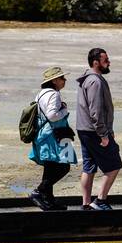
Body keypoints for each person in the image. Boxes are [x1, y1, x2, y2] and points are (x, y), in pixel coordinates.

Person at [75, 48, 121, 210]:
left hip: (84, 129)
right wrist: (104, 134)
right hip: (94, 131)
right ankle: (100, 200)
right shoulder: (95, 81)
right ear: (96, 62)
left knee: (89, 167)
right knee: (114, 165)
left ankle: (86, 204)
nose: (109, 62)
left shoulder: (86, 79)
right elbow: (96, 110)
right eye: (106, 60)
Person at [27, 66, 76, 211]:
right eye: (62, 78)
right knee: (64, 166)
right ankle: (39, 191)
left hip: (42, 135)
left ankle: (49, 202)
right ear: (54, 81)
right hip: (53, 135)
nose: (64, 80)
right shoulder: (54, 95)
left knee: (50, 168)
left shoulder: (40, 94)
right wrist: (64, 110)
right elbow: (52, 116)